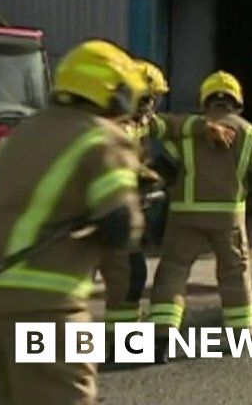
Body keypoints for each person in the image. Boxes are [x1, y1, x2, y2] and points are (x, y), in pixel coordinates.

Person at [0, 40, 148, 404]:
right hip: (46, 310)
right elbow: (121, 228)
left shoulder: (23, 134)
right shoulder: (103, 137)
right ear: (116, 93)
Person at [147, 71, 252, 363]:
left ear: (205, 102)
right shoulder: (250, 134)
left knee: (173, 271)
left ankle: (163, 337)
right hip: (228, 219)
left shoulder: (189, 134)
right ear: (237, 103)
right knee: (235, 274)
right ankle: (240, 338)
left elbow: (165, 169)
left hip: (184, 218)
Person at [98, 60, 170, 339]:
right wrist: (144, 174)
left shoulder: (137, 123)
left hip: (116, 214)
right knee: (127, 275)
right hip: (106, 216)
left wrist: (207, 126)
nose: (155, 105)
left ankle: (120, 338)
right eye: (154, 98)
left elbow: (173, 125)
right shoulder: (119, 127)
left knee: (128, 277)